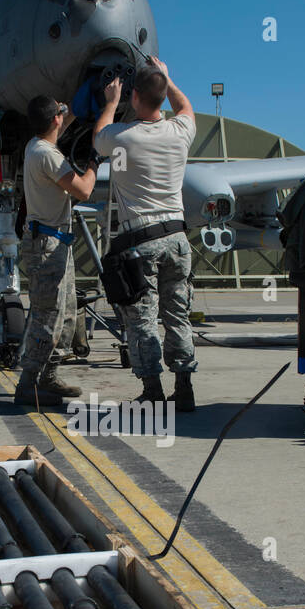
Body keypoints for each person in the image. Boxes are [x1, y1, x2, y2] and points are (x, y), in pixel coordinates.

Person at [92, 58, 197, 410]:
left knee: (143, 318)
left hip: (143, 241)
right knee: (176, 314)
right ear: (163, 97)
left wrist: (110, 101)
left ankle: (152, 389)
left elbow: (97, 137)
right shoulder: (180, 131)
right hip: (178, 239)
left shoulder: (121, 137)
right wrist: (167, 78)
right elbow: (185, 107)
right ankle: (184, 386)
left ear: (134, 96)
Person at [15, 95, 99, 406]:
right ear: (55, 121)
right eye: (59, 111)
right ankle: (28, 383)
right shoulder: (48, 155)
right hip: (47, 247)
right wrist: (94, 162)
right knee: (47, 316)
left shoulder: (36, 145)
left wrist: (72, 110)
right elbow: (84, 190)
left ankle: (47, 377)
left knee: (65, 314)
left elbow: (57, 127)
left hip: (56, 242)